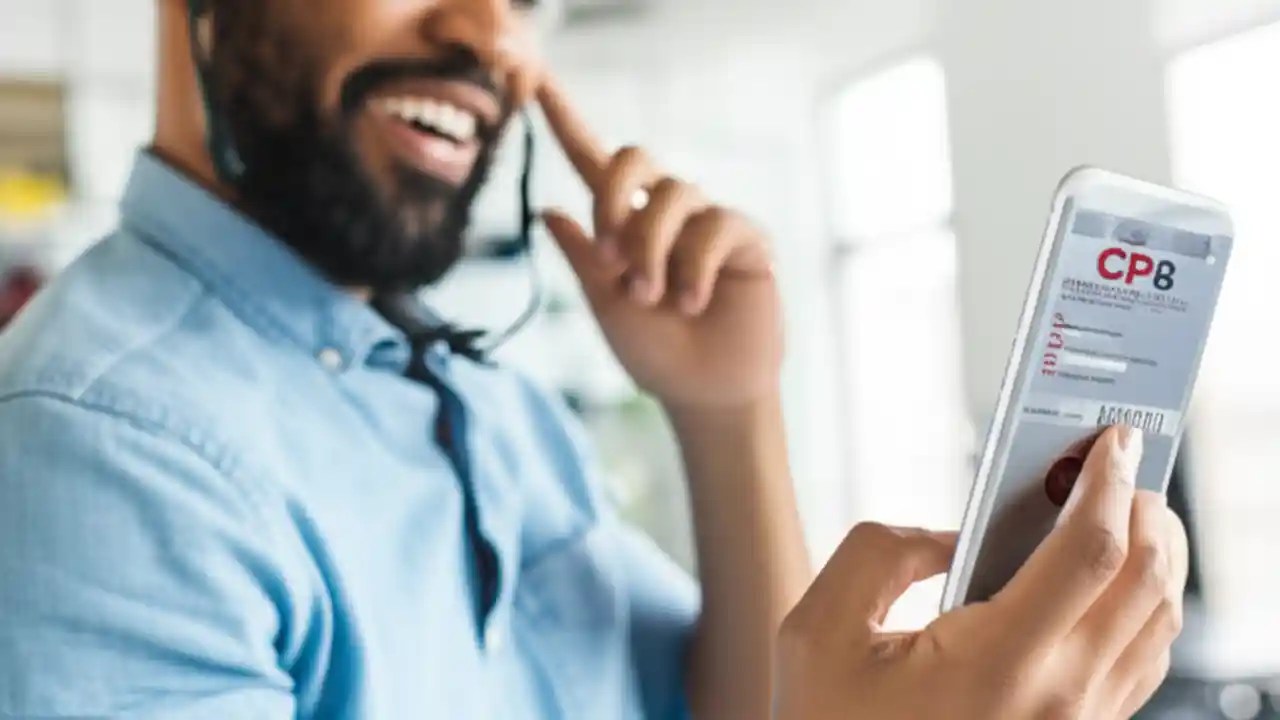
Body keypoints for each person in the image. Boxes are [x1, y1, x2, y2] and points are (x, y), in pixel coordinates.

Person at [0, 1, 1186, 718]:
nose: (490, 38)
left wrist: (727, 411)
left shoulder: (483, 401)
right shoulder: (99, 450)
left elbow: (738, 707)